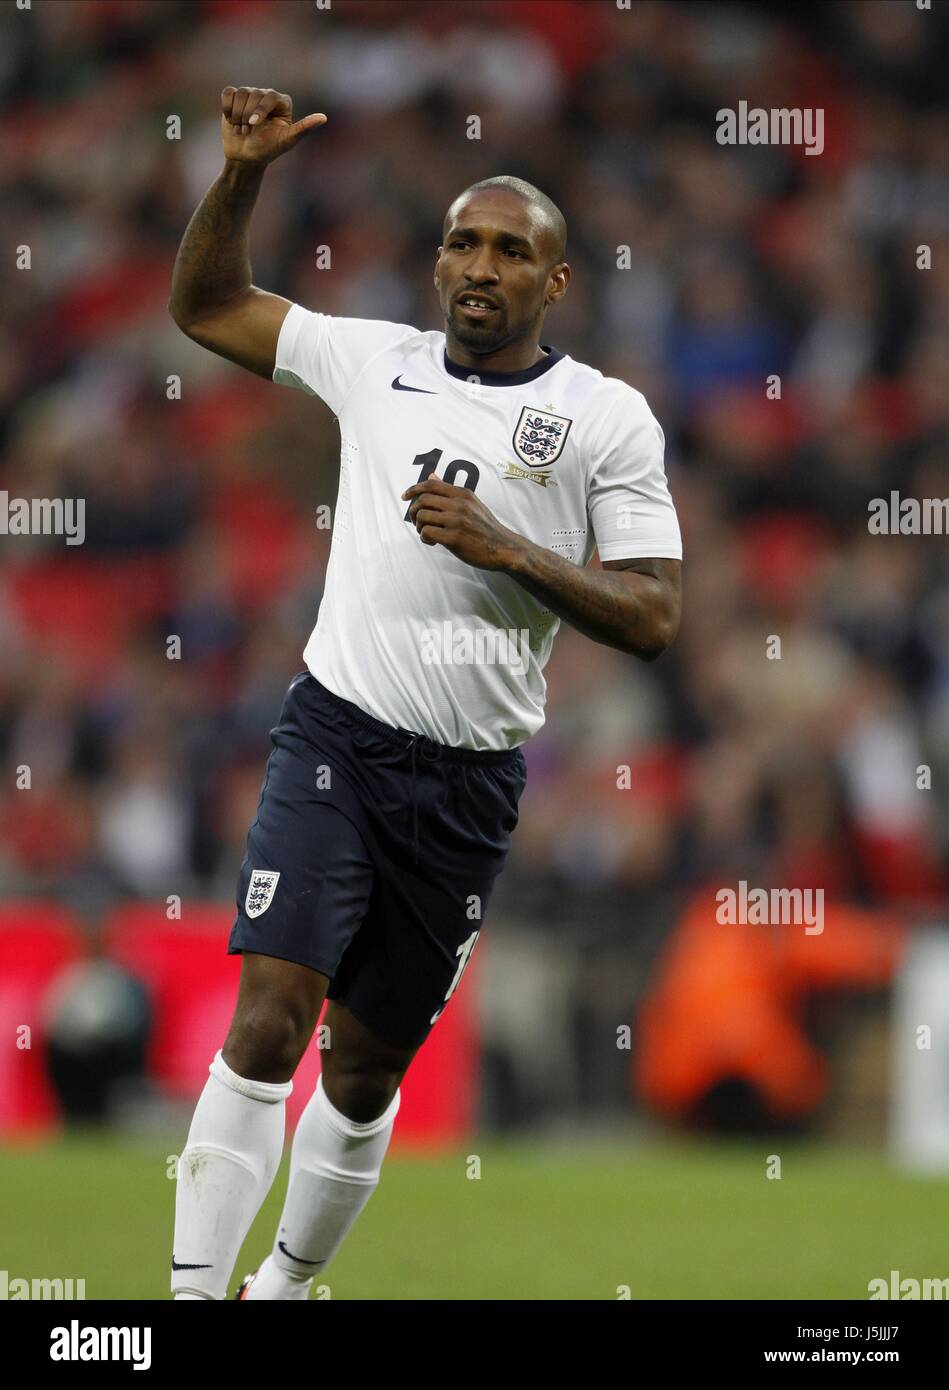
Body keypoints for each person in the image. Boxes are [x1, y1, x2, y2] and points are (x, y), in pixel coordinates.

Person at [167, 87, 682, 1300]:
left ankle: (285, 1287)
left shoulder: (605, 418)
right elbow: (204, 305)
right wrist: (241, 174)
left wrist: (512, 549)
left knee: (361, 1076)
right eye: (463, 240)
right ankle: (190, 1299)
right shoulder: (372, 359)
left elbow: (655, 615)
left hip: (467, 782)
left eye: (512, 249)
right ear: (438, 258)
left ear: (556, 284)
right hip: (336, 738)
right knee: (268, 1023)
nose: (480, 264)